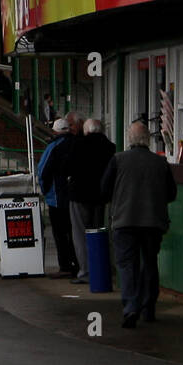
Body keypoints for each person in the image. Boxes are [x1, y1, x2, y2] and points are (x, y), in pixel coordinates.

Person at [101, 121, 177, 328]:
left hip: (124, 221)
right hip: (153, 223)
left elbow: (104, 190)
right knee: (149, 263)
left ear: (129, 139)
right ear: (148, 140)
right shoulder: (161, 163)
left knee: (127, 265)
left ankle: (131, 308)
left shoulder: (118, 160)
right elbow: (171, 194)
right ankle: (149, 308)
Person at [66, 117, 116, 286]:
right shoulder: (110, 147)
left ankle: (85, 271)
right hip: (101, 197)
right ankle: (101, 268)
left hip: (79, 195)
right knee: (99, 233)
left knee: (80, 234)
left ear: (86, 131)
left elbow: (69, 167)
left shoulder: (78, 144)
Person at [36, 117, 78, 277]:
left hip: (57, 196)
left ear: (55, 131)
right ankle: (77, 263)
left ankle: (65, 265)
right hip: (74, 195)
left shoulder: (54, 146)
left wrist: (45, 190)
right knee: (74, 231)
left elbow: (43, 170)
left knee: (60, 233)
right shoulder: (77, 143)